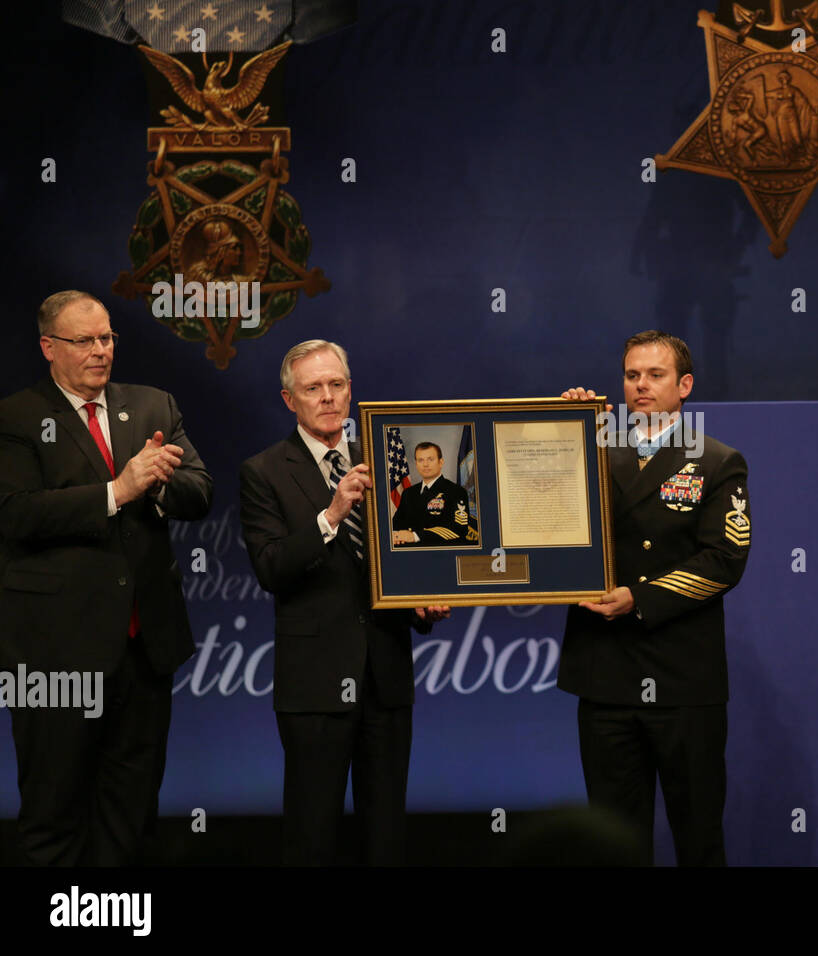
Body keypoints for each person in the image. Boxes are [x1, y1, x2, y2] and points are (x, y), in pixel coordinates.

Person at [0, 290, 212, 865]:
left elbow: (200, 491)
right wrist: (118, 491)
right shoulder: (16, 418)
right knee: (55, 813)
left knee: (131, 813)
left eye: (108, 337)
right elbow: (15, 513)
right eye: (85, 340)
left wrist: (161, 480)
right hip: (56, 657)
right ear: (49, 347)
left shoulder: (151, 406)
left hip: (143, 652)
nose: (101, 350)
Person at [238, 339, 448, 866]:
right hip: (314, 686)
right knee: (313, 836)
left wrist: (421, 604)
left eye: (337, 385)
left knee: (386, 836)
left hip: (386, 678)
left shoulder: (389, 458)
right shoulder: (263, 472)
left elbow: (412, 556)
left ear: (350, 390)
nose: (328, 397)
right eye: (313, 388)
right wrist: (330, 515)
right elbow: (272, 568)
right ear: (290, 399)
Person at [560, 330, 751, 865]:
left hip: (683, 678)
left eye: (655, 375)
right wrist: (563, 430)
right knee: (613, 843)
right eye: (631, 375)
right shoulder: (592, 446)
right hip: (605, 673)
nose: (640, 385)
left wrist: (638, 599)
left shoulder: (717, 461)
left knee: (698, 836)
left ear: (684, 385)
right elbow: (543, 505)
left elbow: (724, 560)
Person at [391, 441, 477, 546]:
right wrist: (397, 536)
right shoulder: (408, 493)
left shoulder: (455, 491)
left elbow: (458, 529)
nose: (425, 464)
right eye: (420, 460)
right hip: (408, 554)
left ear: (441, 462)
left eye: (430, 459)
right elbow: (395, 525)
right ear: (416, 464)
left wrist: (415, 536)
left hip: (440, 554)